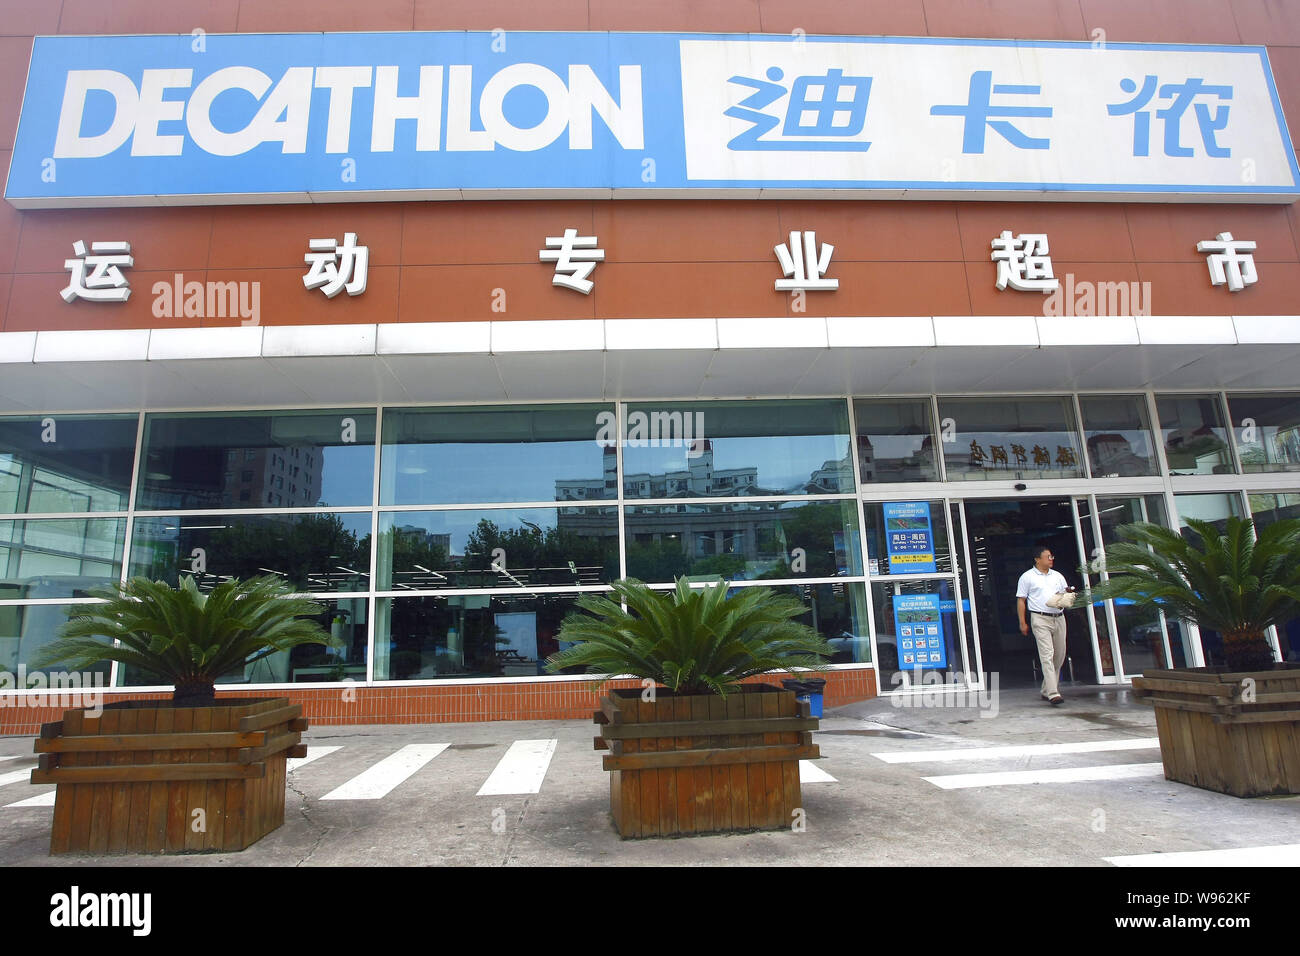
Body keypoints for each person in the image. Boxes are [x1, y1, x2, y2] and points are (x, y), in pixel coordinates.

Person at [1016, 545, 1071, 706]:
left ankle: (1046, 689)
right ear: (1037, 559)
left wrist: (1067, 596)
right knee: (1047, 654)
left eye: (1052, 557)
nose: (1051, 559)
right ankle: (1053, 693)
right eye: (1048, 557)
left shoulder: (1058, 576)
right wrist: (1022, 622)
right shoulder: (1027, 577)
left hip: (1059, 617)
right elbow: (1021, 600)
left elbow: (1064, 594)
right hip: (1040, 618)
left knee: (1059, 655)